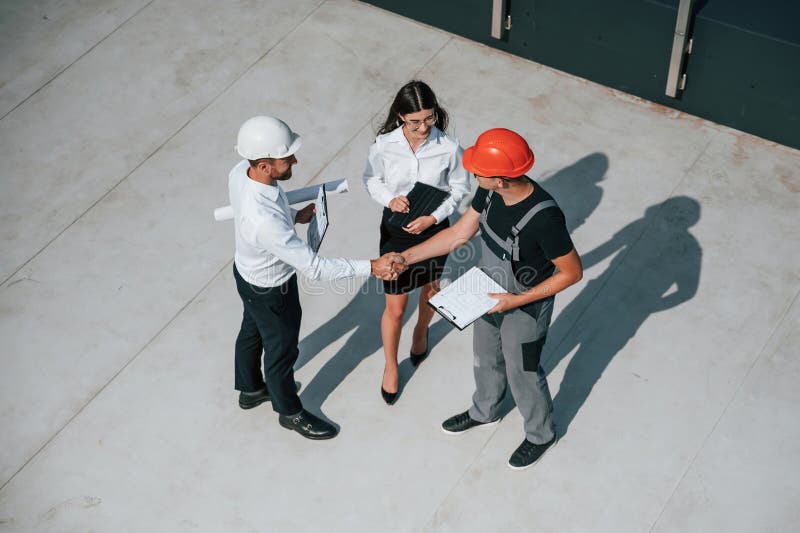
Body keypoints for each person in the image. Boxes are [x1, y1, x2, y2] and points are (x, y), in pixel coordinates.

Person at [397, 128, 583, 469]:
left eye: (478, 171)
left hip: (524, 304)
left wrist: (514, 301)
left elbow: (572, 272)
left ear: (500, 178)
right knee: (485, 356)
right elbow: (459, 232)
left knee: (522, 370)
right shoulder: (491, 194)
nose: (472, 175)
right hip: (485, 290)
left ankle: (541, 434)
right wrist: (406, 257)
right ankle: (485, 411)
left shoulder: (545, 218)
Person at [229, 115, 404, 440]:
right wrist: (373, 266)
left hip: (246, 274)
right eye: (286, 157)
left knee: (251, 332)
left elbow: (255, 211)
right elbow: (317, 268)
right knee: (281, 352)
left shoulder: (241, 173)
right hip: (271, 289)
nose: (294, 159)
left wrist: (293, 215)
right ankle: (289, 412)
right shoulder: (265, 222)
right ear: (265, 165)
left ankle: (250, 389)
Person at [362, 80, 470, 404]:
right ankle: (391, 366)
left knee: (431, 288)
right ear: (400, 116)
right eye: (415, 121)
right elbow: (370, 179)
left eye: (429, 118)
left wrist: (434, 218)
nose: (423, 127)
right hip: (396, 230)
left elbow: (460, 188)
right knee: (395, 305)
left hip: (434, 228)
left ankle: (422, 329)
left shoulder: (449, 147)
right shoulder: (384, 145)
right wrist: (389, 199)